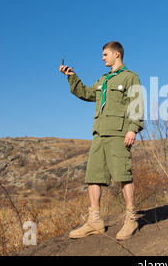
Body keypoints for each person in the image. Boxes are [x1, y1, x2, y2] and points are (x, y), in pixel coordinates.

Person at [59, 41, 144, 240]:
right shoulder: (104, 80)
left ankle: (131, 218)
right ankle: (95, 221)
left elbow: (136, 103)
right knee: (93, 176)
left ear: (117, 54)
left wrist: (133, 129)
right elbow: (87, 93)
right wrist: (72, 77)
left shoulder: (130, 77)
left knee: (123, 174)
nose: (103, 58)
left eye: (105, 54)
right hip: (99, 133)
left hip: (118, 133)